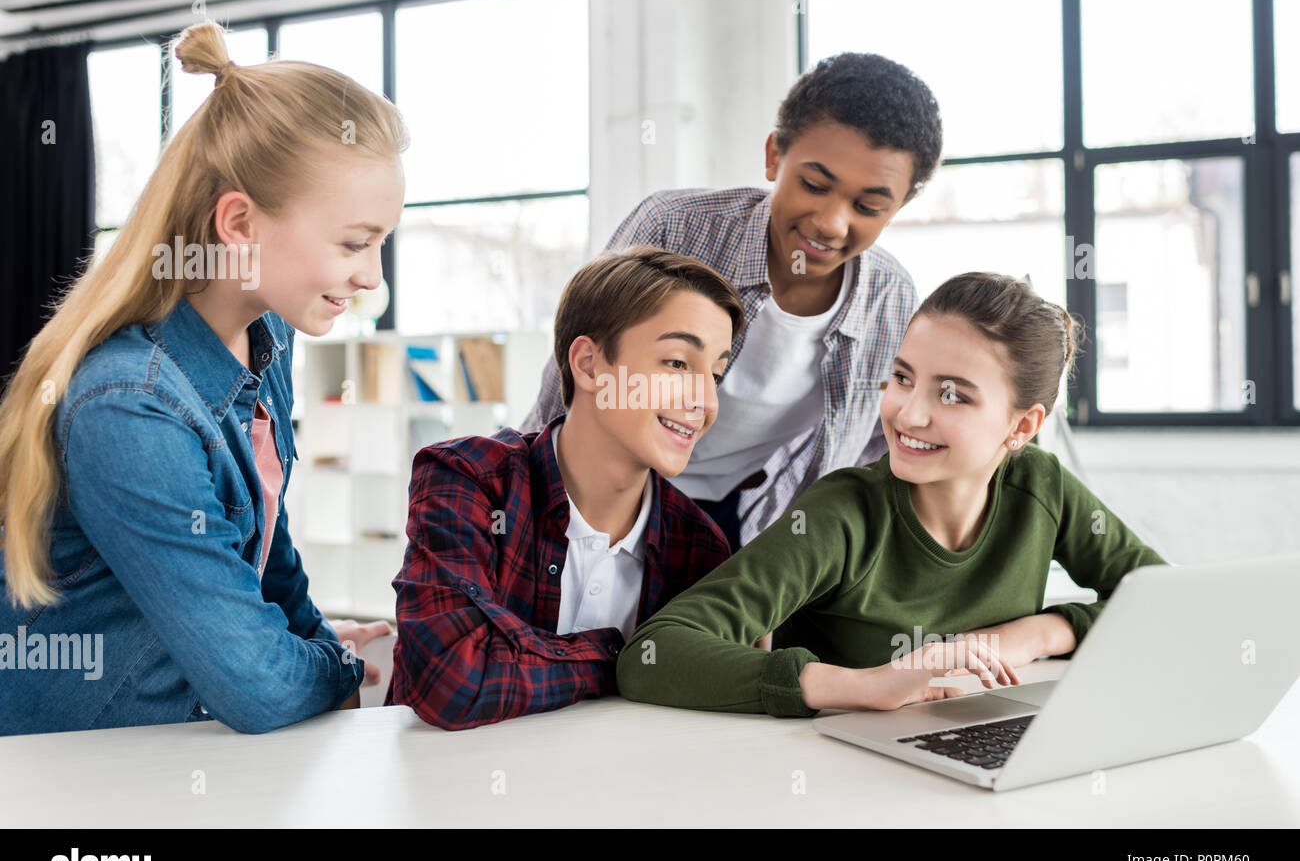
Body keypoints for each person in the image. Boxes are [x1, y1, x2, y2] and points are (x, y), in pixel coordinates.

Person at [0, 20, 404, 734]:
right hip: (78, 780)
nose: (371, 275)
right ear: (240, 222)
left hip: (172, 754)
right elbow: (258, 687)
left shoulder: (266, 333)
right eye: (353, 242)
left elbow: (266, 550)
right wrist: (332, 667)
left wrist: (312, 637)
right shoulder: (128, 405)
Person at [616, 273, 1168, 717]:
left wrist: (1035, 633)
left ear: (1021, 427)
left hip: (984, 750)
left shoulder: (1041, 487)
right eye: (904, 378)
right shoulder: (843, 514)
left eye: (952, 394)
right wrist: (865, 685)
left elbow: (1167, 600)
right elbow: (654, 653)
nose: (908, 413)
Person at [523, 52, 943, 552]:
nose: (831, 223)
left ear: (900, 206)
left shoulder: (891, 302)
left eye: (869, 207)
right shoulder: (673, 227)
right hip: (599, 491)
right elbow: (567, 382)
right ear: (773, 156)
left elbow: (877, 455)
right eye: (813, 185)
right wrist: (515, 498)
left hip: (734, 518)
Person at [387, 247, 740, 730]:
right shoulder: (467, 479)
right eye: (678, 363)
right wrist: (624, 654)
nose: (705, 400)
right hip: (440, 792)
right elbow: (452, 682)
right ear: (590, 365)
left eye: (716, 373)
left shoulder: (698, 548)